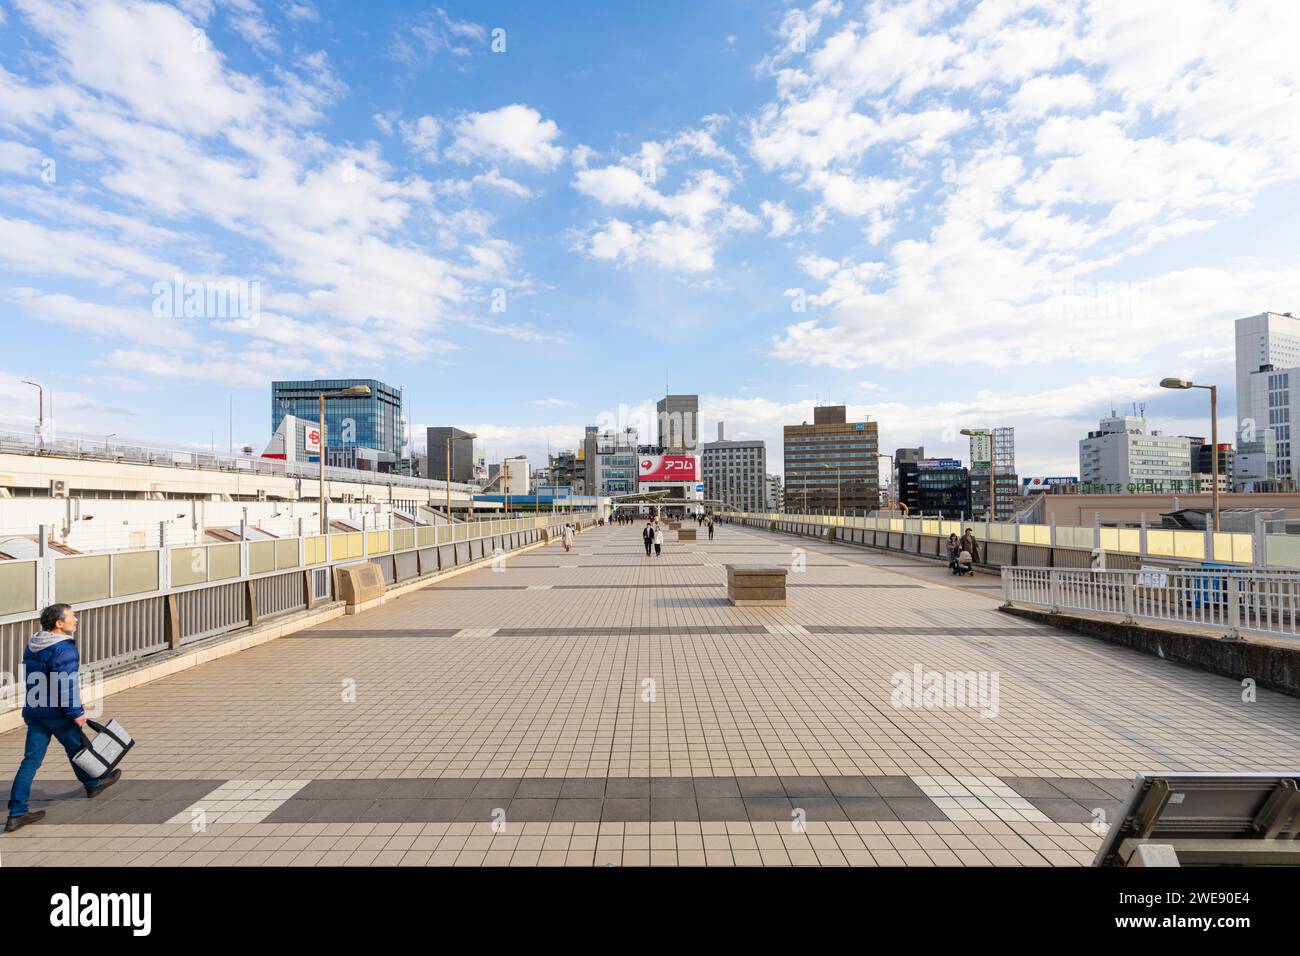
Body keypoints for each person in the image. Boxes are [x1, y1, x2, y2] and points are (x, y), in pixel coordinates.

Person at [5, 604, 121, 834]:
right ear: (59, 623)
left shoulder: (34, 643)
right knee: (78, 750)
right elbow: (65, 686)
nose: (76, 620)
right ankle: (93, 783)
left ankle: (16, 813)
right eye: (72, 617)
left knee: (30, 761)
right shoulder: (63, 649)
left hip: (35, 710)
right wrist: (76, 713)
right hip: (57, 713)